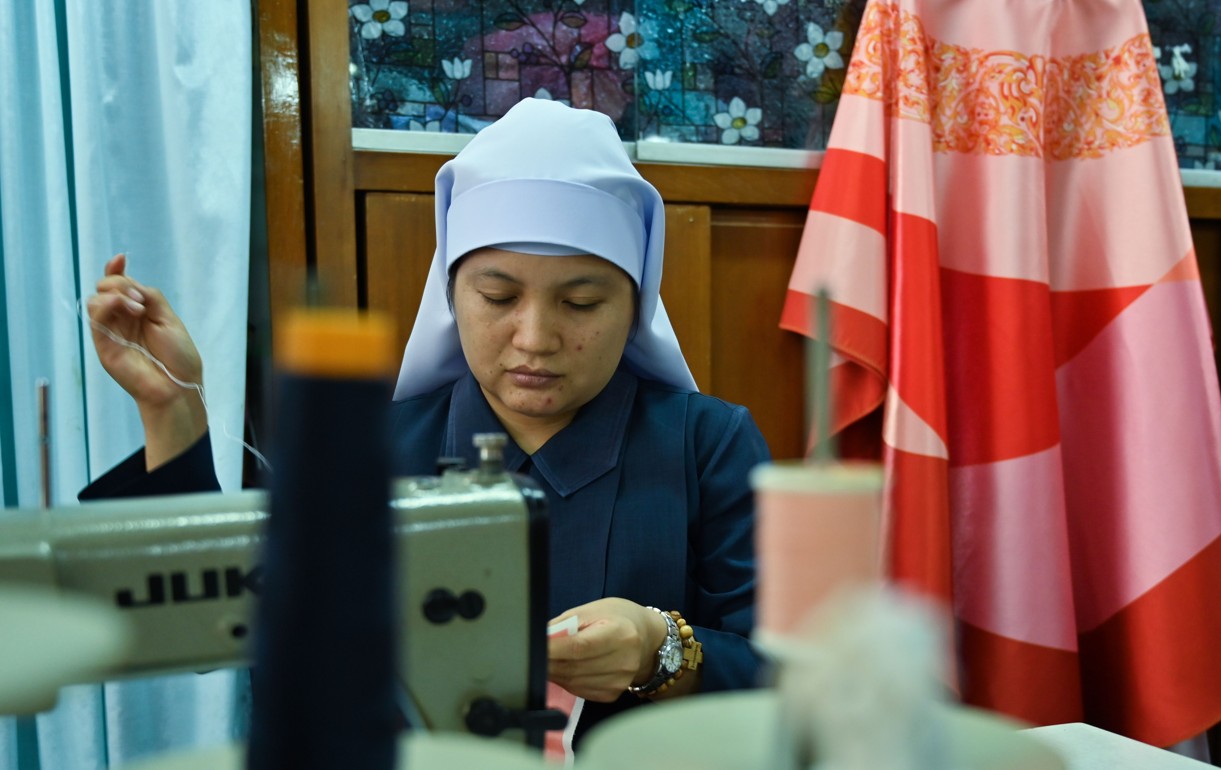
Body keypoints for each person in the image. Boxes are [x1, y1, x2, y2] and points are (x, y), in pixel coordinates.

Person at [83, 98, 769, 741]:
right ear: (451, 291)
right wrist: (171, 408)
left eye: (581, 303)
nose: (535, 338)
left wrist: (661, 651)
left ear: (636, 303)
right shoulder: (364, 452)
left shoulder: (706, 446)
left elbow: (783, 674)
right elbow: (236, 629)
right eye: (497, 296)